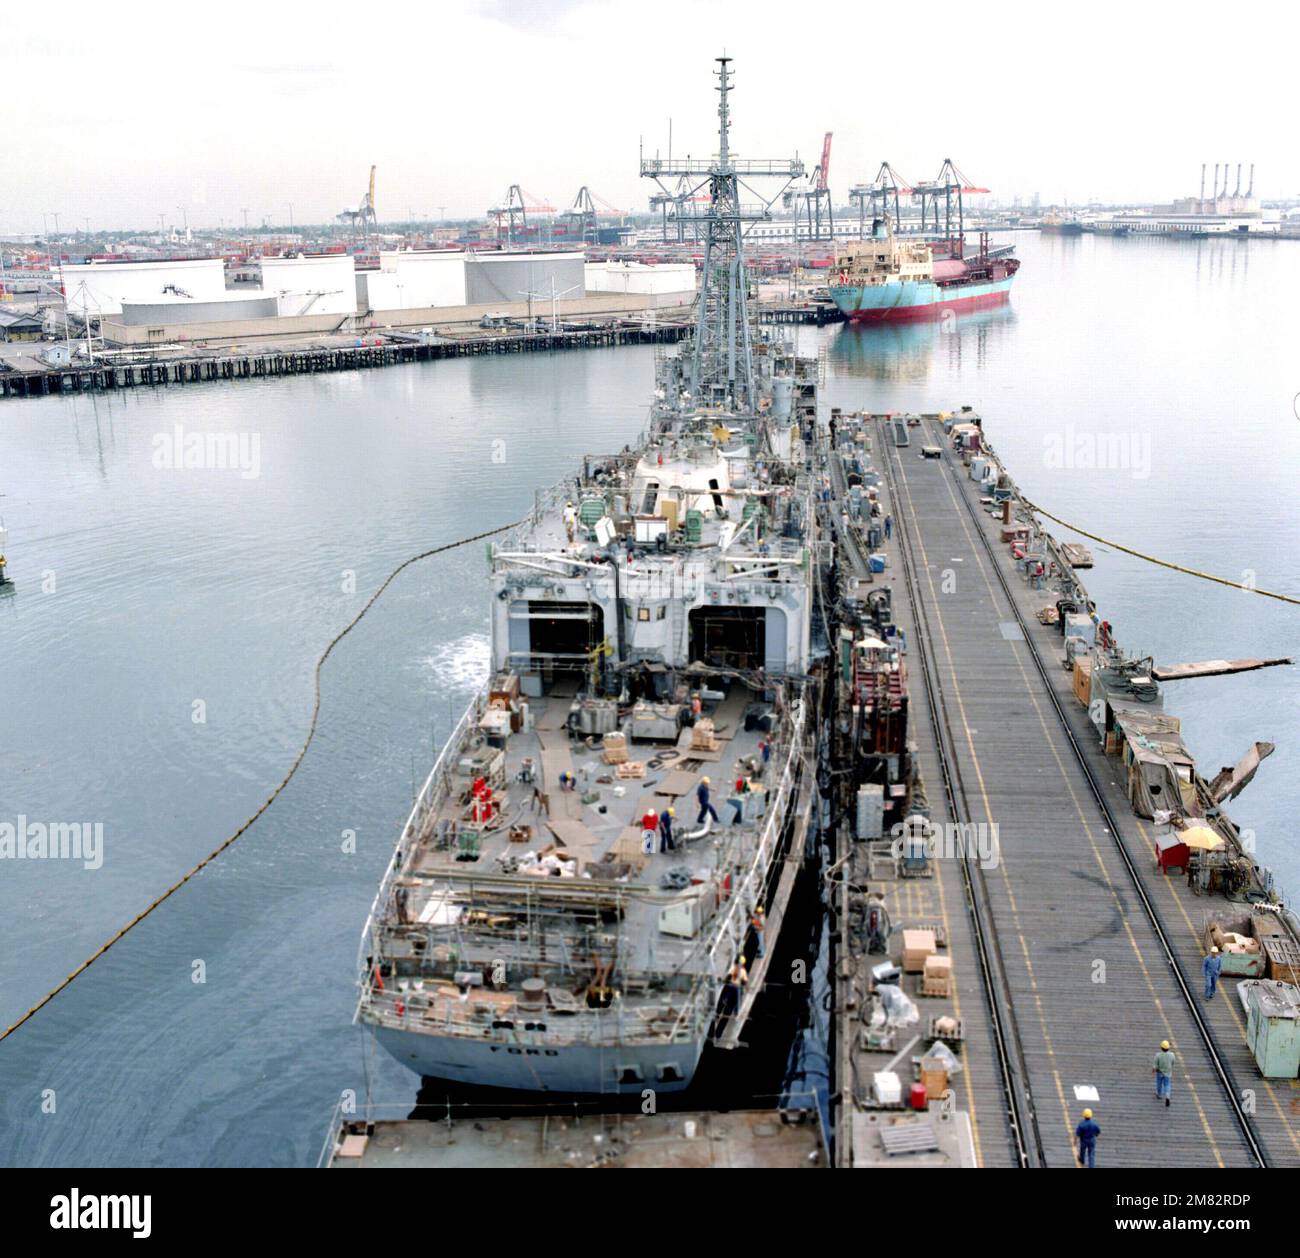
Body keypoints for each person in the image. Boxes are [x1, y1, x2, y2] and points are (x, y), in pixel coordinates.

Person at [1153, 1040, 1175, 1106]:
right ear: (1168, 1048)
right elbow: (1173, 1062)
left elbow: (1155, 1065)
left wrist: (1154, 1070)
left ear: (1161, 1047)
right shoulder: (1172, 1055)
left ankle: (1159, 1094)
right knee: (1167, 1085)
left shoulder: (1158, 1055)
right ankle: (1167, 1096)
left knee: (1159, 1083)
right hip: (1168, 1073)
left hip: (1160, 1072)